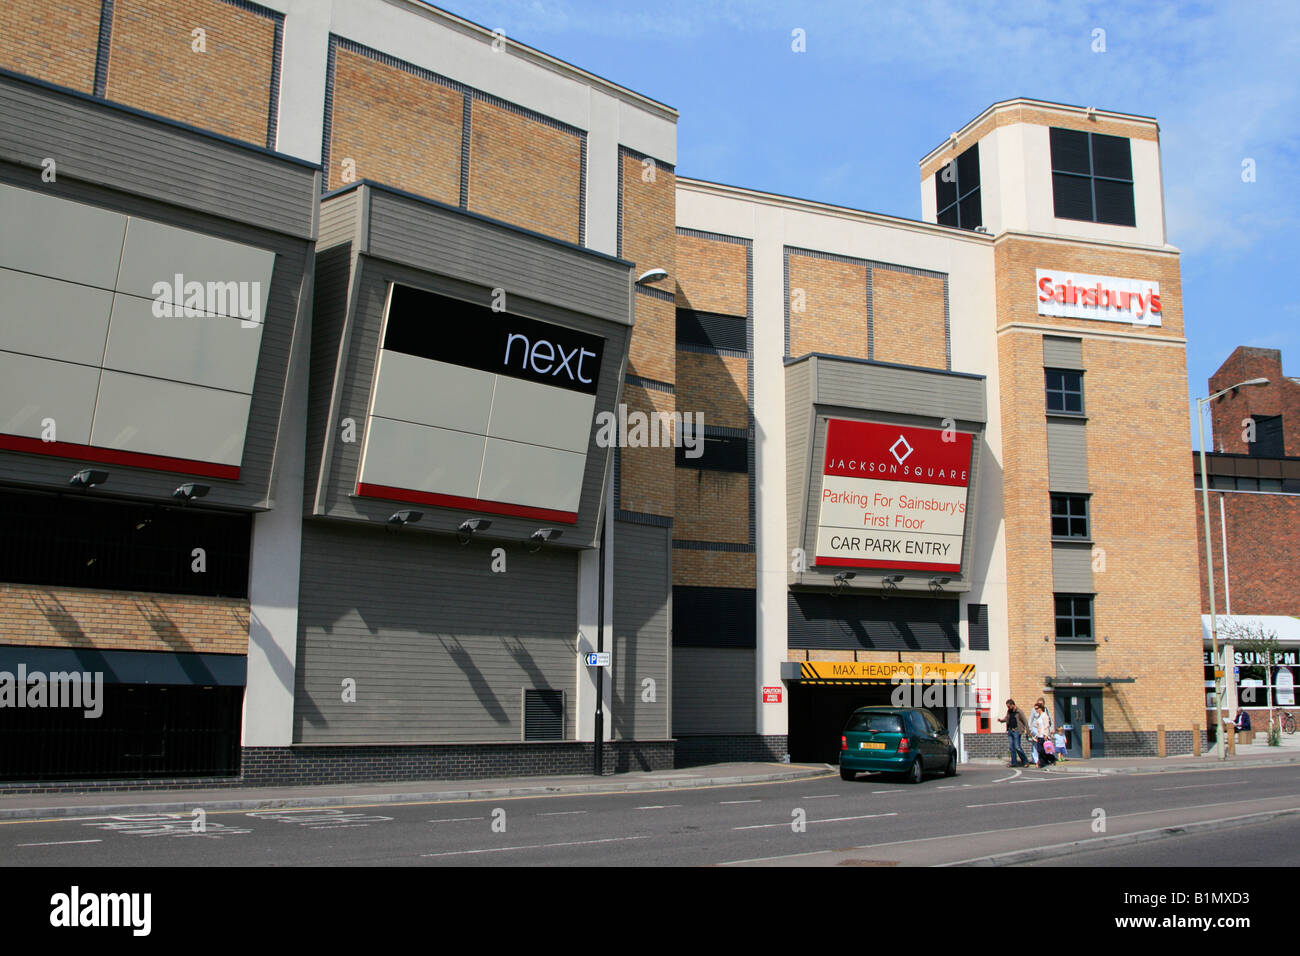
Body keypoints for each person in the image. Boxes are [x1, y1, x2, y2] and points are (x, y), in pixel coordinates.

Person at [996, 699, 1031, 767]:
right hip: (1010, 730)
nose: (1008, 708)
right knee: (1011, 747)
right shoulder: (1009, 711)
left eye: (1009, 706)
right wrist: (1001, 720)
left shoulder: (1019, 711)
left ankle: (1025, 761)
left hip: (1017, 731)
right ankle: (1014, 762)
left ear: (1012, 705)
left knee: (1017, 747)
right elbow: (1007, 718)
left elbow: (1025, 721)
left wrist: (1028, 731)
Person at [1029, 702, 1052, 769]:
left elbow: (1046, 725)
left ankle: (1048, 760)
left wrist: (1045, 735)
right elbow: (1038, 727)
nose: (1036, 710)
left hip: (1043, 735)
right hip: (1039, 735)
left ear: (1041, 708)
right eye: (1035, 709)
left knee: (1042, 750)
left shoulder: (1044, 715)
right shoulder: (1039, 716)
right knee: (1040, 750)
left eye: (1037, 708)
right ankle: (1044, 762)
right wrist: (1034, 735)